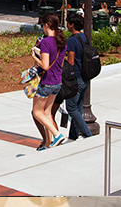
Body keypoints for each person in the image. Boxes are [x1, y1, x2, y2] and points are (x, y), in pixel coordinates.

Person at [31, 12, 67, 150]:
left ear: (46, 25)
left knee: (37, 112)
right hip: (58, 81)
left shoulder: (46, 42)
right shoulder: (62, 42)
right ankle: (48, 144)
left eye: (42, 25)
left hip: (47, 82)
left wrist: (35, 57)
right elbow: (60, 64)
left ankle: (57, 135)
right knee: (47, 113)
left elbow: (45, 65)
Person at [65, 13, 92, 141]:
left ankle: (87, 134)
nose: (67, 25)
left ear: (72, 24)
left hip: (76, 77)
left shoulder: (71, 40)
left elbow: (71, 61)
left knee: (71, 108)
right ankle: (73, 135)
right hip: (86, 76)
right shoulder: (84, 37)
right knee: (78, 108)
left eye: (68, 23)